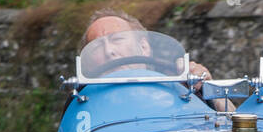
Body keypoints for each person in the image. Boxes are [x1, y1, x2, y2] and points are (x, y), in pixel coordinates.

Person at [80, 8, 214, 83]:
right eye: (96, 46)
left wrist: (208, 89)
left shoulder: (177, 87)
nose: (108, 51)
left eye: (117, 39)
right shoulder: (81, 103)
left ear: (144, 47)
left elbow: (228, 123)